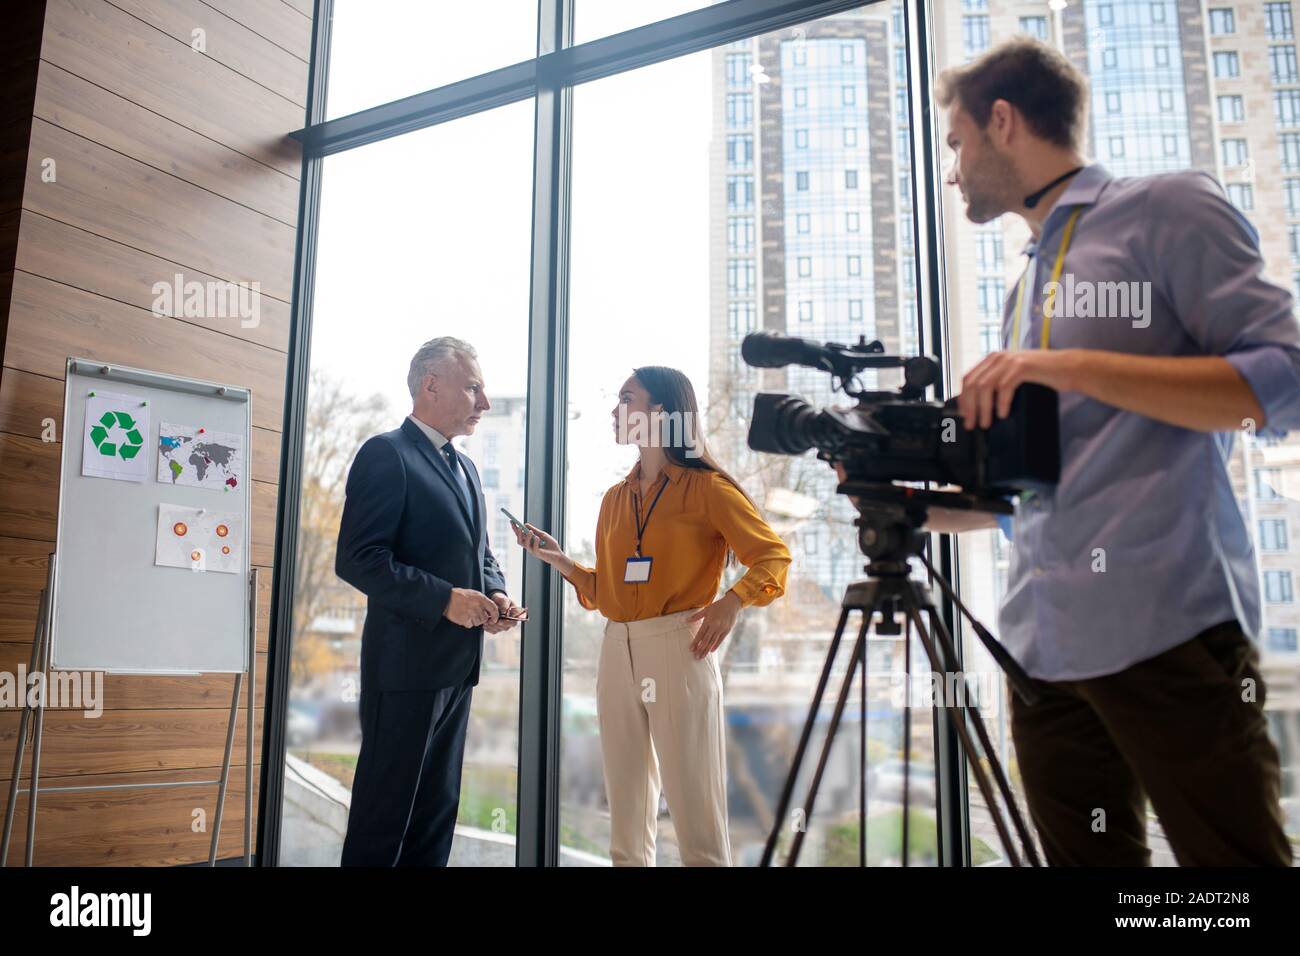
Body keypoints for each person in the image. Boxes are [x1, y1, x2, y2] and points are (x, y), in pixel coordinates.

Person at [935, 37, 1299, 865]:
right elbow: (1052, 483)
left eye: (957, 143)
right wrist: (934, 509)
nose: (952, 171)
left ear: (1003, 120)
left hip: (1165, 632)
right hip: (1041, 654)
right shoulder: (1027, 285)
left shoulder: (1164, 209)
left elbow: (1283, 379)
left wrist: (1058, 365)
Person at [513, 366, 791, 866]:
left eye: (627, 399)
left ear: (660, 412)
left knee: (695, 814)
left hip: (678, 647)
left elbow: (773, 557)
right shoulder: (614, 501)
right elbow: (605, 592)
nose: (615, 411)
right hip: (615, 649)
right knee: (626, 811)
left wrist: (732, 602)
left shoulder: (707, 489)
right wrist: (562, 562)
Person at [335, 336, 522, 866]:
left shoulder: (466, 469)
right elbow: (357, 558)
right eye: (474, 388)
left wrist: (496, 593)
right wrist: (445, 600)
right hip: (403, 674)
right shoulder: (386, 453)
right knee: (383, 819)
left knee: (436, 817)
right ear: (430, 385)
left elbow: (480, 553)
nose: (484, 402)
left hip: (457, 672)